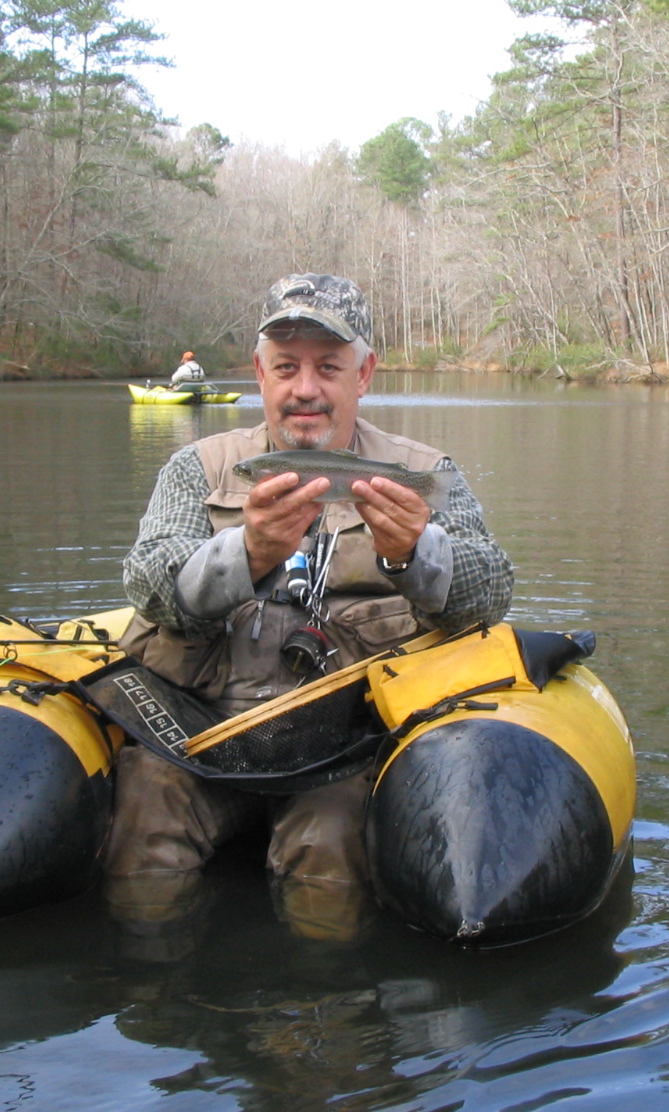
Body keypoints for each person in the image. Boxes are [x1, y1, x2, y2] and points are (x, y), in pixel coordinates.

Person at [108, 273, 514, 937]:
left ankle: (323, 989)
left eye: (328, 367)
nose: (305, 389)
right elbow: (147, 583)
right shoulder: (199, 468)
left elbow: (492, 591)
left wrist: (415, 555)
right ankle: (151, 978)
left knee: (330, 857)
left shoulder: (420, 471)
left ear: (364, 375)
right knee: (143, 836)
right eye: (286, 367)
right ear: (260, 373)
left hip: (346, 747)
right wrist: (246, 555)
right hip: (197, 735)